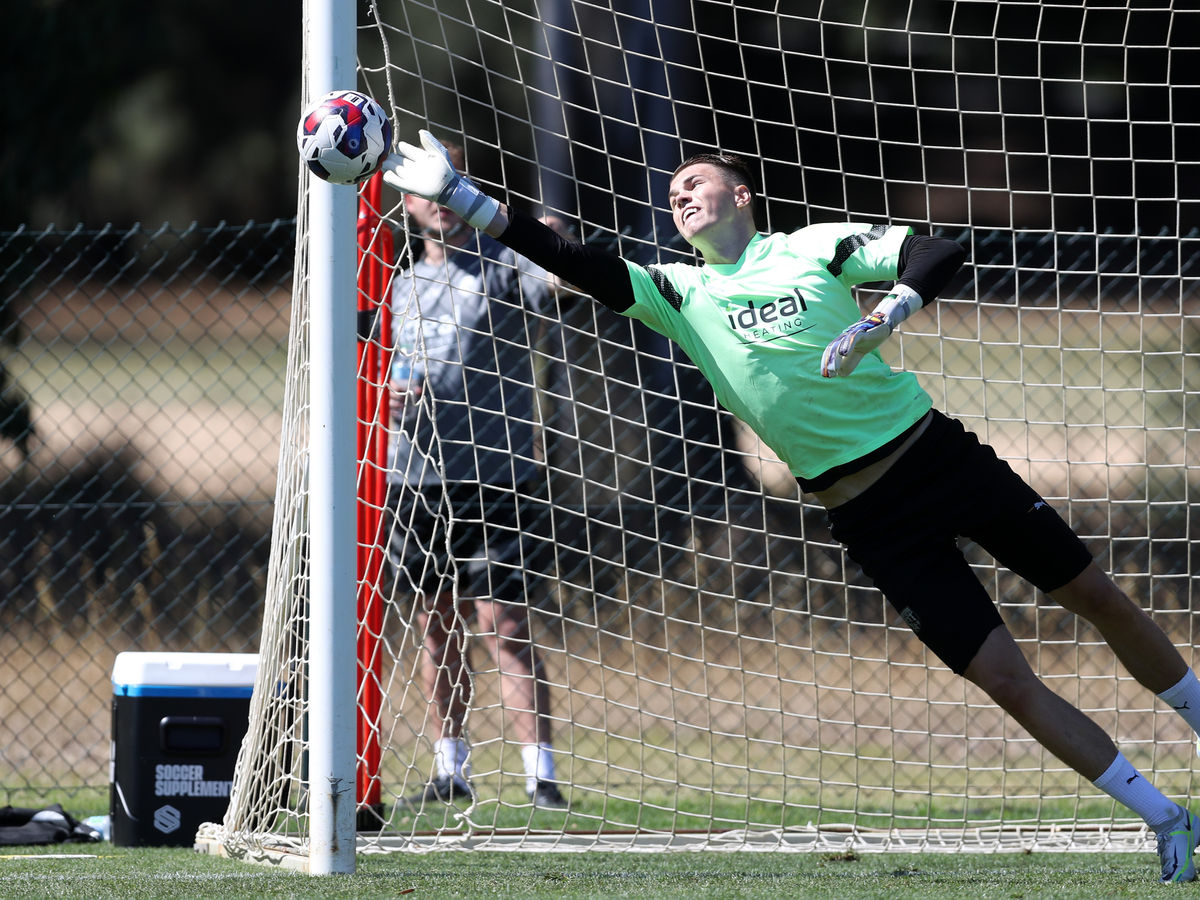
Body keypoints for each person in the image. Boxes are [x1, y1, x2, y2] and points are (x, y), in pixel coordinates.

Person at [384, 130, 1200, 879]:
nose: (680, 195)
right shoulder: (679, 291)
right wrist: (462, 197)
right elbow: (574, 258)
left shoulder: (810, 249)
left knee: (1094, 596)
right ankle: (1166, 818)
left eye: (695, 182)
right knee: (1005, 680)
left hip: (939, 460)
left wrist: (890, 312)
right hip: (870, 519)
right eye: (670, 194)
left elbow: (938, 248)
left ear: (741, 195)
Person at [386, 139, 568, 810]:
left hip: (499, 478)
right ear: (406, 206)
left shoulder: (506, 267)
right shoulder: (397, 285)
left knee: (506, 625)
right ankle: (450, 768)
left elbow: (560, 277)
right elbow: (369, 367)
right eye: (425, 194)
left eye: (450, 187)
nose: (440, 205)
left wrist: (555, 241)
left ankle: (539, 775)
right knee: (438, 624)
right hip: (417, 479)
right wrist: (386, 394)